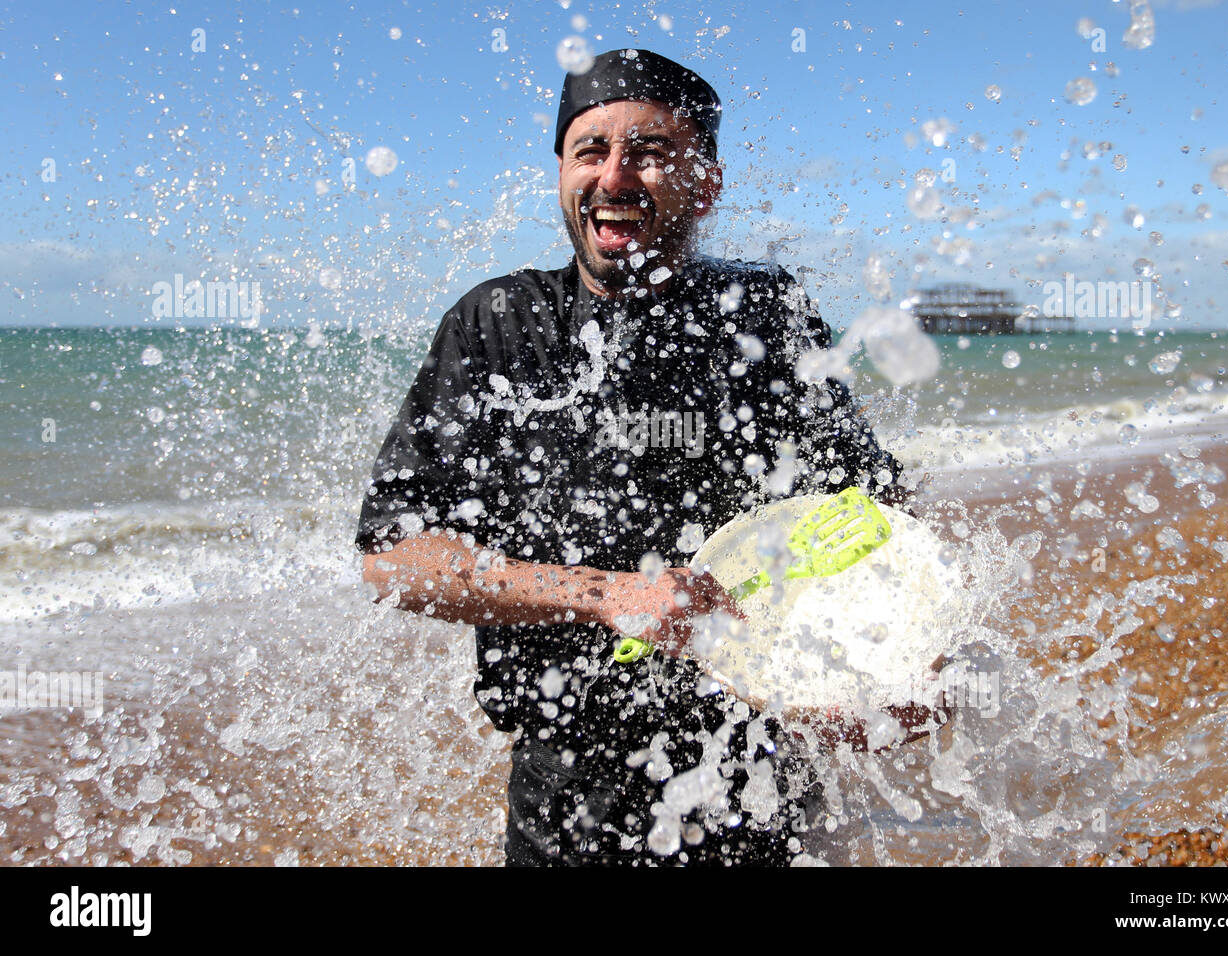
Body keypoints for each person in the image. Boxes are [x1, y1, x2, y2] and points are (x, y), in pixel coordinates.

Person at [355, 48, 918, 866]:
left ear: (707, 183)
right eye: (590, 151)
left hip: (758, 769)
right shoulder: (498, 326)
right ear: (561, 170)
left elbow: (873, 512)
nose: (614, 176)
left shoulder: (761, 312)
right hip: (567, 791)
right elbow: (393, 558)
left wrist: (901, 669)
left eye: (650, 153)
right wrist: (609, 596)